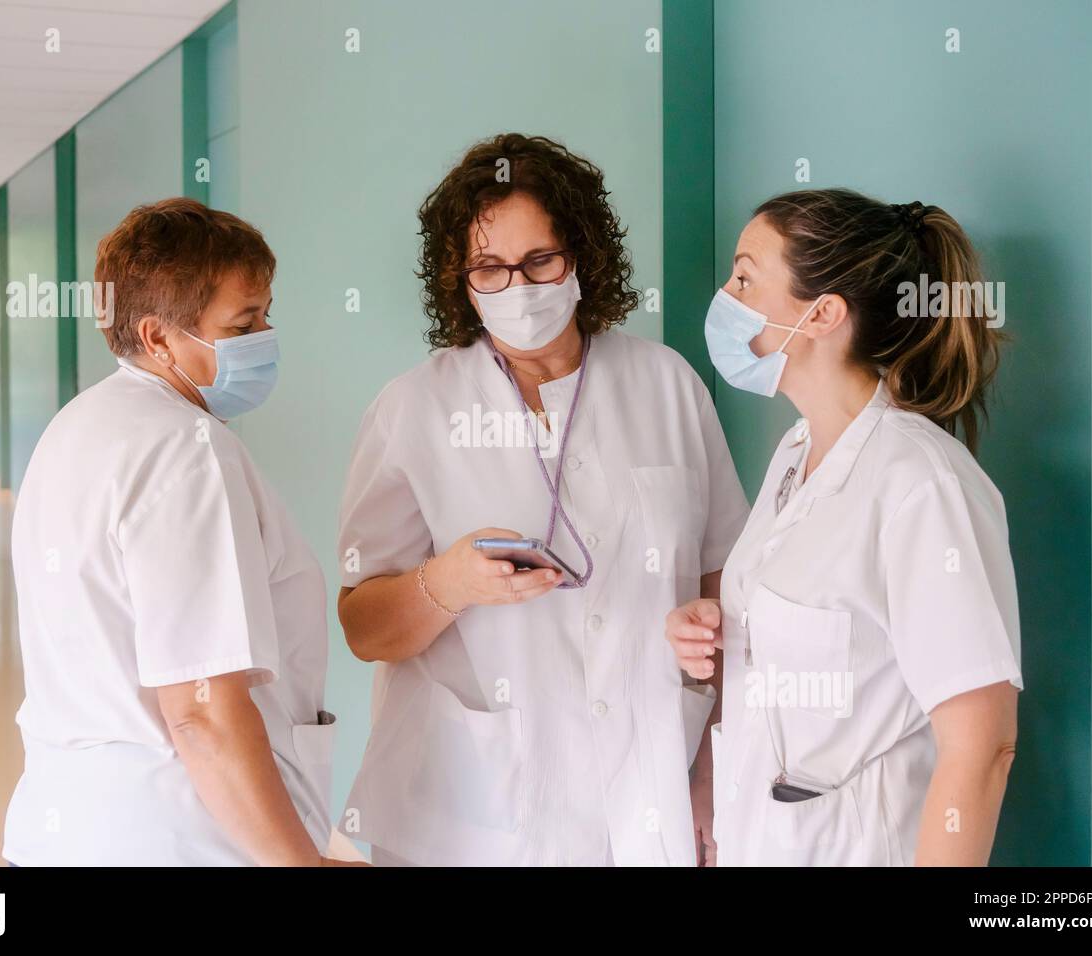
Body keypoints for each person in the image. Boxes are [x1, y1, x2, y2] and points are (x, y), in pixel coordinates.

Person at [336, 133, 749, 866]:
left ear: (582, 255)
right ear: (458, 280)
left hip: (649, 792)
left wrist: (713, 775)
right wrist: (448, 584)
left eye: (540, 261)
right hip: (476, 814)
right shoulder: (414, 409)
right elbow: (365, 629)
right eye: (489, 269)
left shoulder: (667, 385)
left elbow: (726, 588)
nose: (519, 288)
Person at [666, 188, 1022, 866]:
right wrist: (716, 630)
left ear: (823, 314)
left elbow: (984, 750)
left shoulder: (922, 484)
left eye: (745, 276)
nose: (725, 294)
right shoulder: (796, 454)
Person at [3, 198, 357, 866]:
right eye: (244, 322)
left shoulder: (77, 426)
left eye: (266, 313)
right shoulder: (187, 449)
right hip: (175, 838)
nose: (266, 335)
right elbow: (203, 714)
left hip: (61, 831)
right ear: (160, 338)